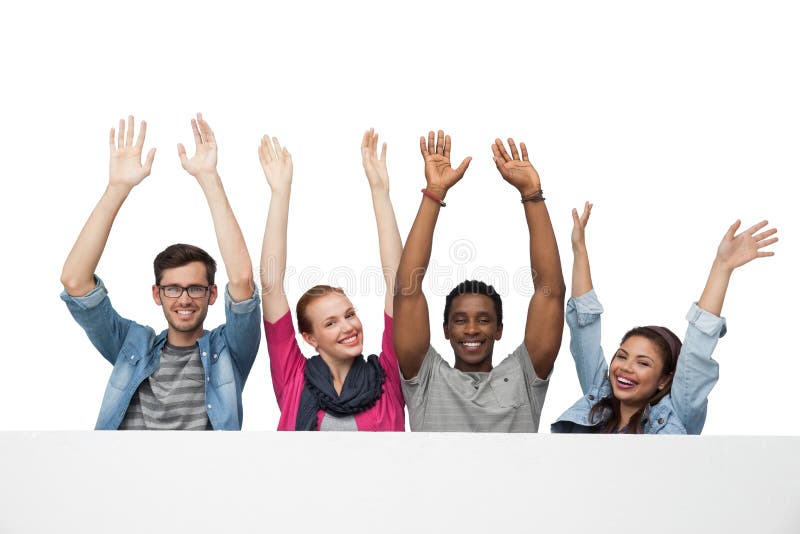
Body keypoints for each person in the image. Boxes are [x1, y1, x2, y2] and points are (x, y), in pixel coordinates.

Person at [61, 114, 261, 430]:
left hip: (203, 477)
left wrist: (209, 178)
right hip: (126, 476)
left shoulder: (229, 350)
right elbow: (75, 282)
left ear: (211, 294)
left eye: (195, 288)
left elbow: (241, 281)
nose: (185, 299)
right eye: (173, 288)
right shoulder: (131, 345)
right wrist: (117, 188)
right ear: (157, 294)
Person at [551, 203, 778, 434]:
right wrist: (578, 248)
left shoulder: (678, 414)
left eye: (643, 363)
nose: (626, 368)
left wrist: (722, 267)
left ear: (664, 380)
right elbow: (584, 329)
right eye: (622, 356)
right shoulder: (598, 399)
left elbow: (696, 354)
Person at [393, 131, 566, 432]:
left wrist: (532, 196)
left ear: (499, 329)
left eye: (484, 320)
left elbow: (550, 293)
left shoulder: (525, 377)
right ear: (445, 329)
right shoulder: (426, 379)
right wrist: (434, 192)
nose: (472, 329)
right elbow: (407, 291)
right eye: (460, 320)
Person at [259, 129, 404, 431]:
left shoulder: (388, 376)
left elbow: (399, 286)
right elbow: (271, 285)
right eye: (330, 323)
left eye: (349, 314)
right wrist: (280, 194)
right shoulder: (293, 376)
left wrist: (380, 193)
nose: (348, 326)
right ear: (310, 338)